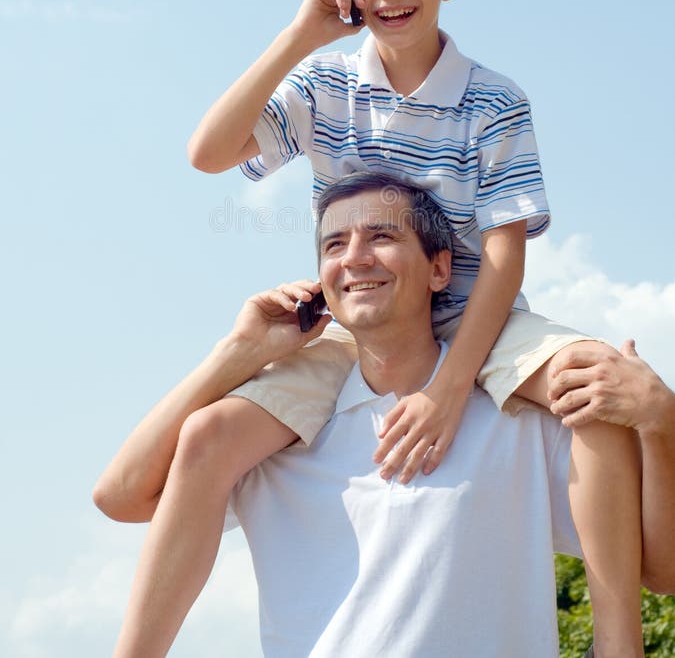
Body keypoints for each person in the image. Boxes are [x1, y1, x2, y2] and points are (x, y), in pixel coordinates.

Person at [95, 175, 675, 657]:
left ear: (440, 270)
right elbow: (123, 496)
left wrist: (661, 423)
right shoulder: (274, 441)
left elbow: (663, 571)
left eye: (381, 235)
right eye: (334, 245)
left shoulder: (524, 422)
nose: (354, 257)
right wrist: (237, 354)